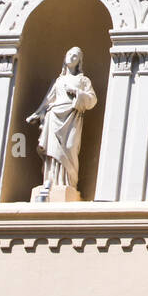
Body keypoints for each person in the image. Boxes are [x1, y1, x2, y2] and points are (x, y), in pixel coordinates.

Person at [26, 47, 97, 191]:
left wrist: (77, 92)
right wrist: (36, 114)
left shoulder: (83, 80)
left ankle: (68, 183)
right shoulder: (58, 81)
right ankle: (51, 181)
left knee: (70, 147)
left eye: (75, 56)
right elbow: (47, 101)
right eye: (69, 54)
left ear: (79, 62)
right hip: (54, 116)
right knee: (52, 151)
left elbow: (92, 100)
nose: (71, 57)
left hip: (72, 116)